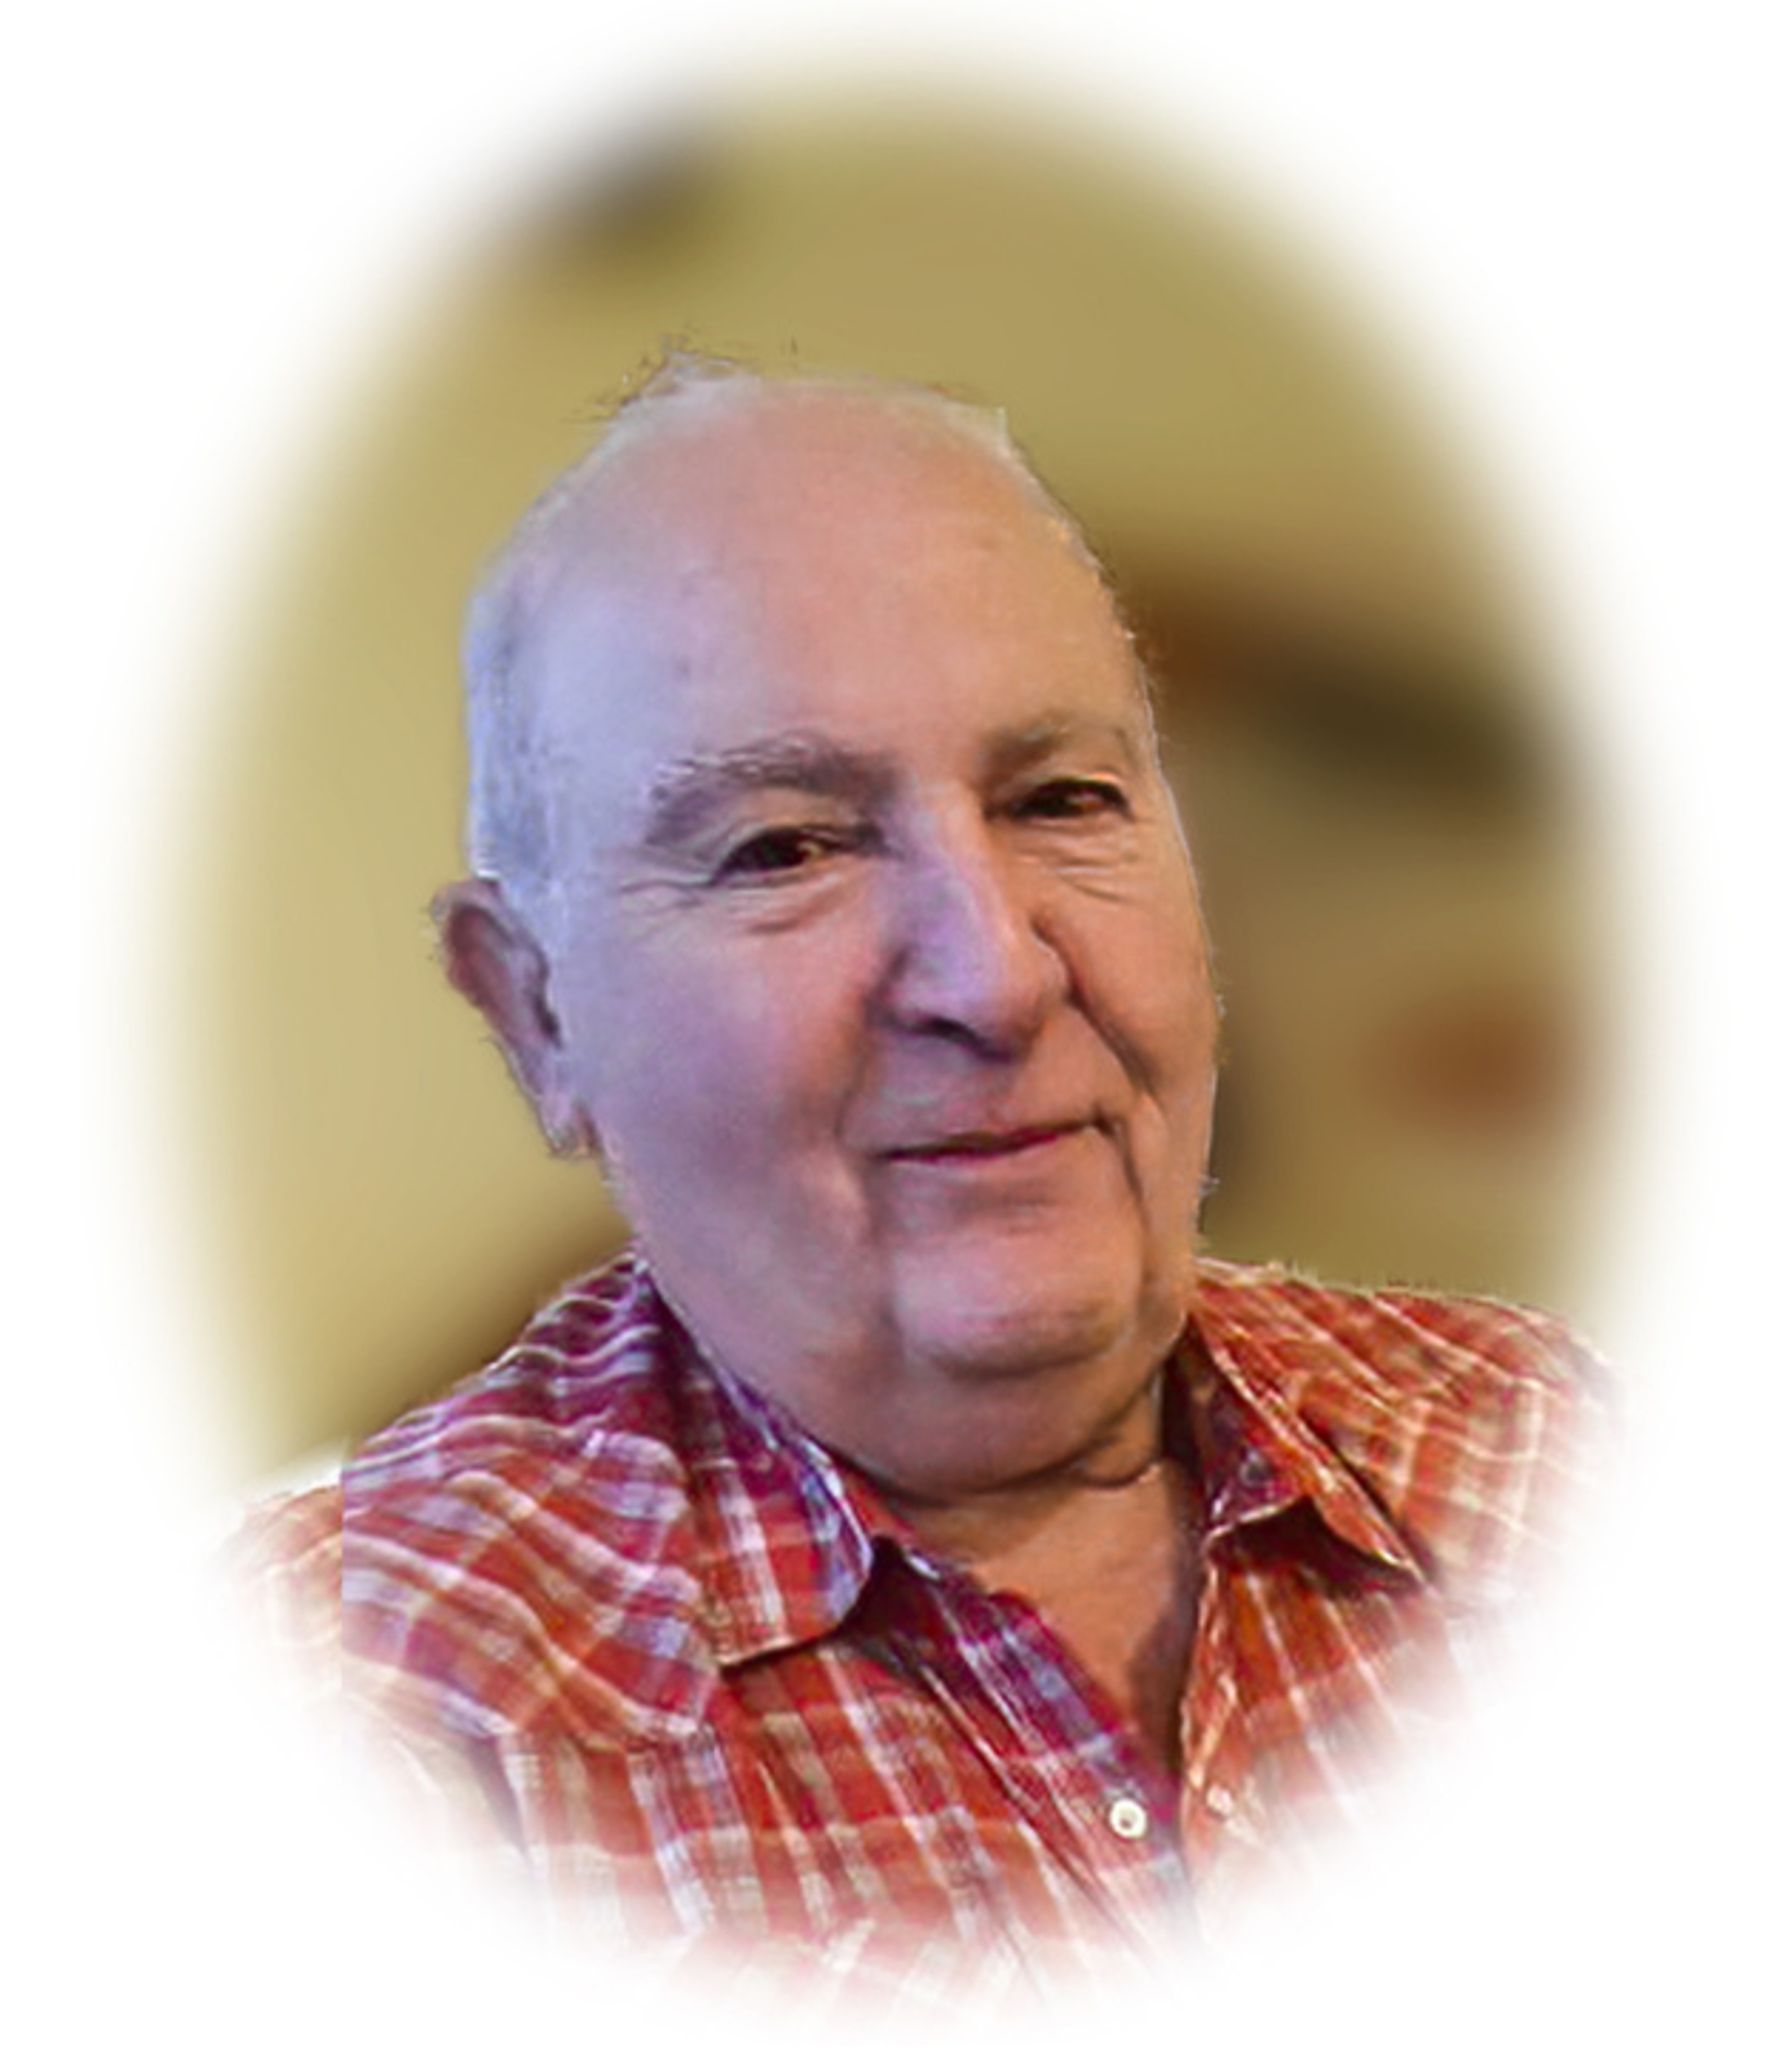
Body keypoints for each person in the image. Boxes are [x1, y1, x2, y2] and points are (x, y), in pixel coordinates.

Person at [239, 355, 1599, 1998]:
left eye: (1060, 799)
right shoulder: (321, 1728)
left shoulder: (1562, 1452)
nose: (997, 976)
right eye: (783, 846)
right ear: (532, 1012)